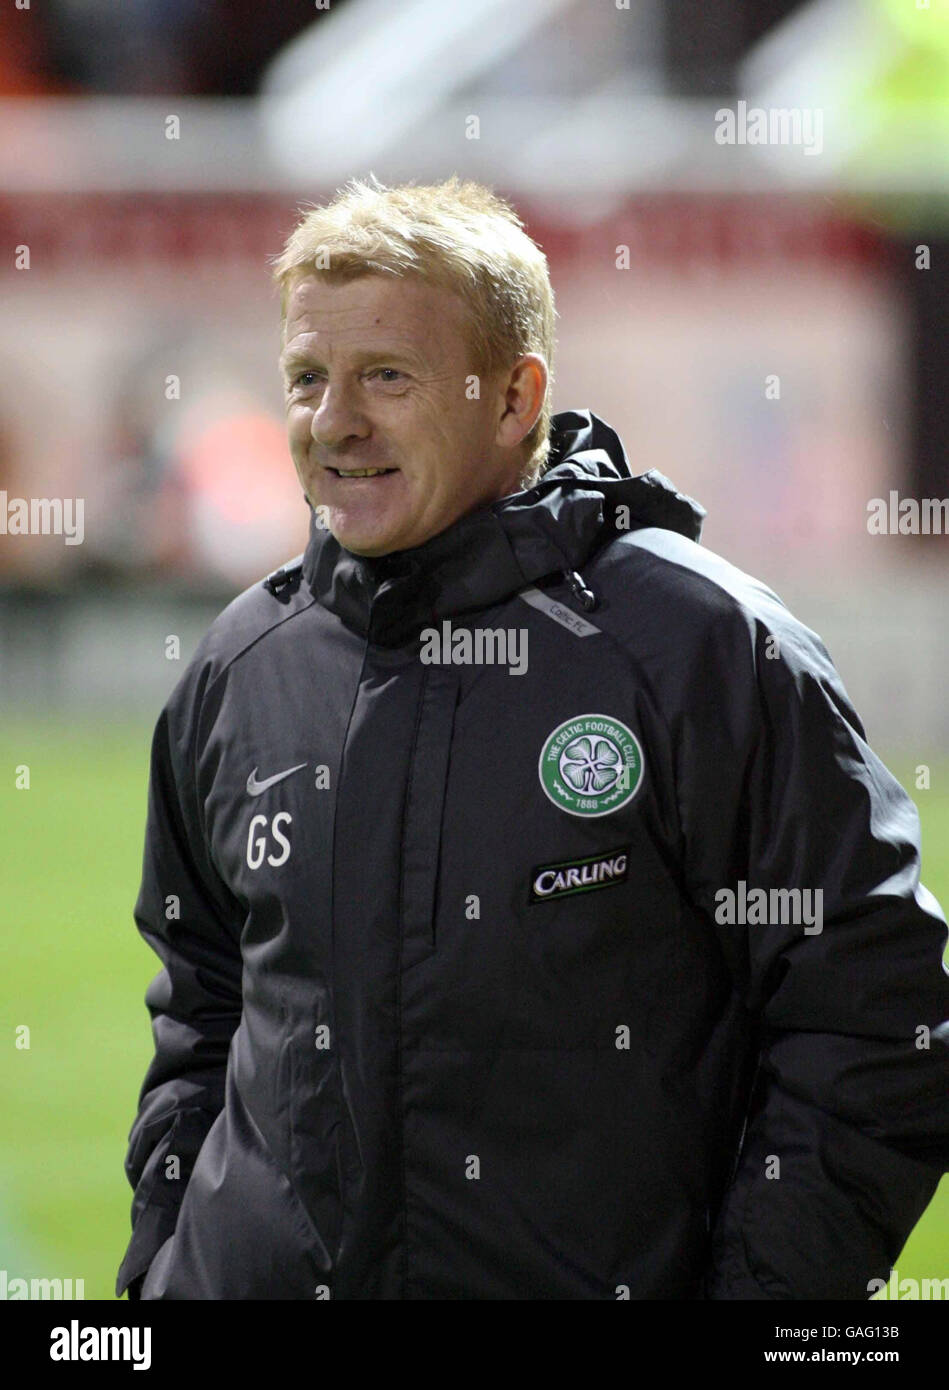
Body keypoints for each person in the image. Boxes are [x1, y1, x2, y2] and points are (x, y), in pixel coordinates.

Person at [117, 175, 949, 1301]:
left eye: (388, 378)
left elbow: (875, 1014)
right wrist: (165, 1268)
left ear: (515, 399)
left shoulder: (701, 650)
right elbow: (201, 1011)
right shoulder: (240, 665)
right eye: (308, 378)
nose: (335, 421)